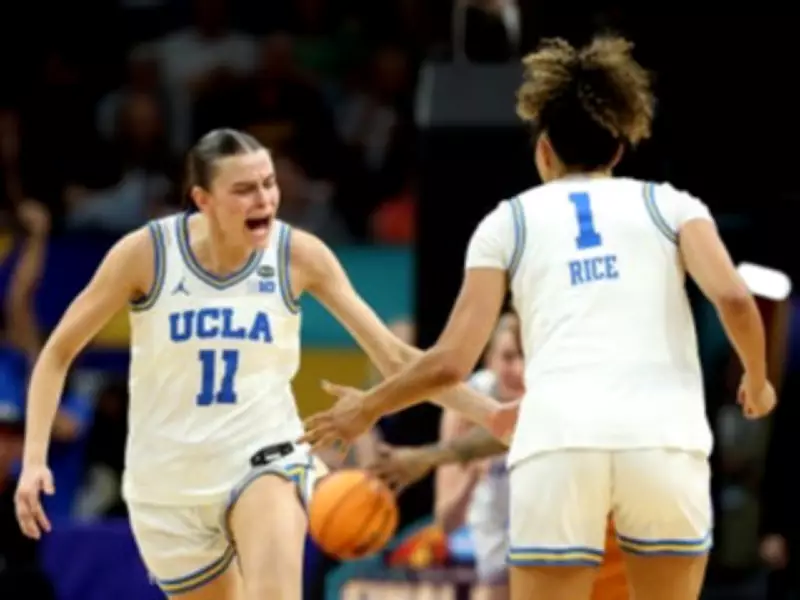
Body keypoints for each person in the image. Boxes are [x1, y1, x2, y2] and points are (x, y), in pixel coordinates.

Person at [301, 36, 776, 600]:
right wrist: (756, 377)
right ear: (620, 148)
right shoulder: (671, 204)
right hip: (663, 442)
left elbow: (451, 361)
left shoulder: (508, 221)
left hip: (557, 445)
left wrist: (368, 406)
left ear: (543, 150)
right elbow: (736, 300)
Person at [13, 128, 498, 600]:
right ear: (203, 199)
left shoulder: (298, 255)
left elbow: (395, 357)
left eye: (268, 183)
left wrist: (493, 414)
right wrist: (34, 460)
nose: (264, 198)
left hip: (262, 456)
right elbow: (57, 352)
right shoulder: (146, 254)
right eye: (244, 189)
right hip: (168, 478)